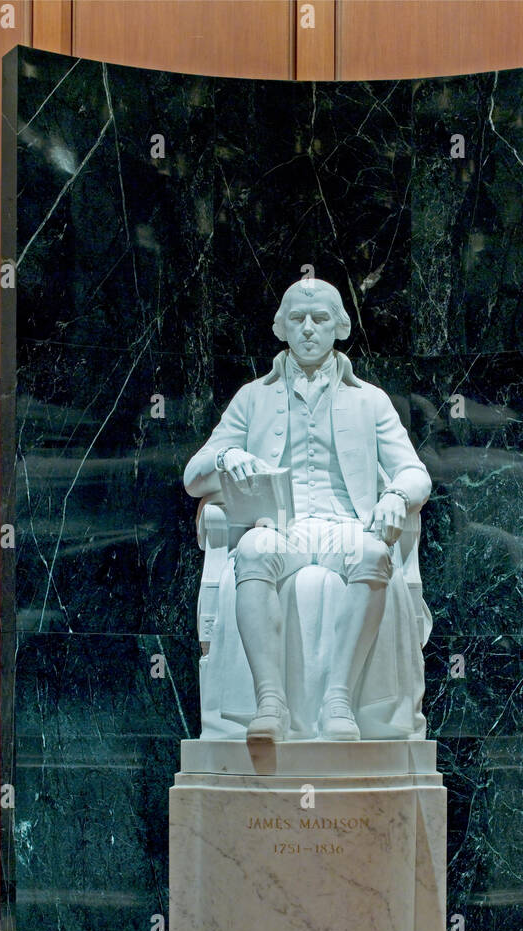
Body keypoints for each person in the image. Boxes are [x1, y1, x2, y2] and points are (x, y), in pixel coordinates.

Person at [183, 278, 431, 742]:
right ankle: (269, 702)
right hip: (280, 527)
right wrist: (225, 458)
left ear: (341, 326)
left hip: (347, 526)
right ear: (281, 327)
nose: (309, 328)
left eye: (320, 318)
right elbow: (193, 477)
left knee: (374, 555)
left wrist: (396, 496)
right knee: (252, 552)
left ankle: (339, 699)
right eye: (297, 319)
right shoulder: (252, 398)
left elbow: (415, 472)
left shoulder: (370, 400)